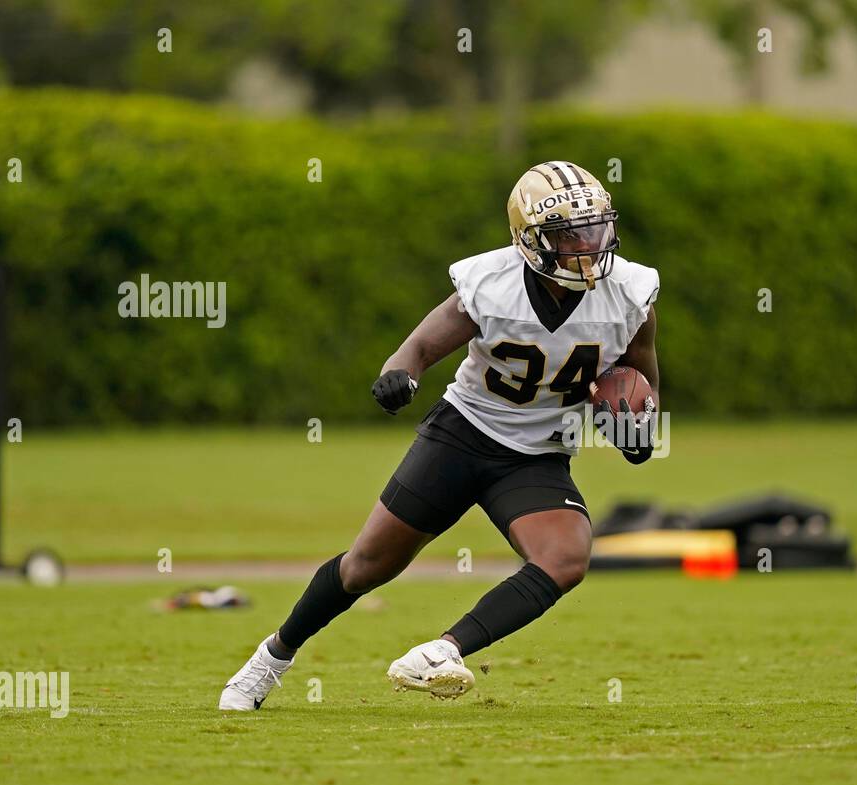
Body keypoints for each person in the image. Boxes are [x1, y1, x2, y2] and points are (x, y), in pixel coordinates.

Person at [219, 161, 661, 710]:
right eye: (566, 235)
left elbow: (639, 370)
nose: (584, 247)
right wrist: (400, 373)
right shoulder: (493, 282)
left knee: (566, 559)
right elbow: (422, 346)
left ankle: (442, 651)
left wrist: (640, 427)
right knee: (366, 567)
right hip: (462, 436)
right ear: (529, 240)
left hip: (539, 453)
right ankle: (270, 659)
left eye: (592, 230)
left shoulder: (631, 290)